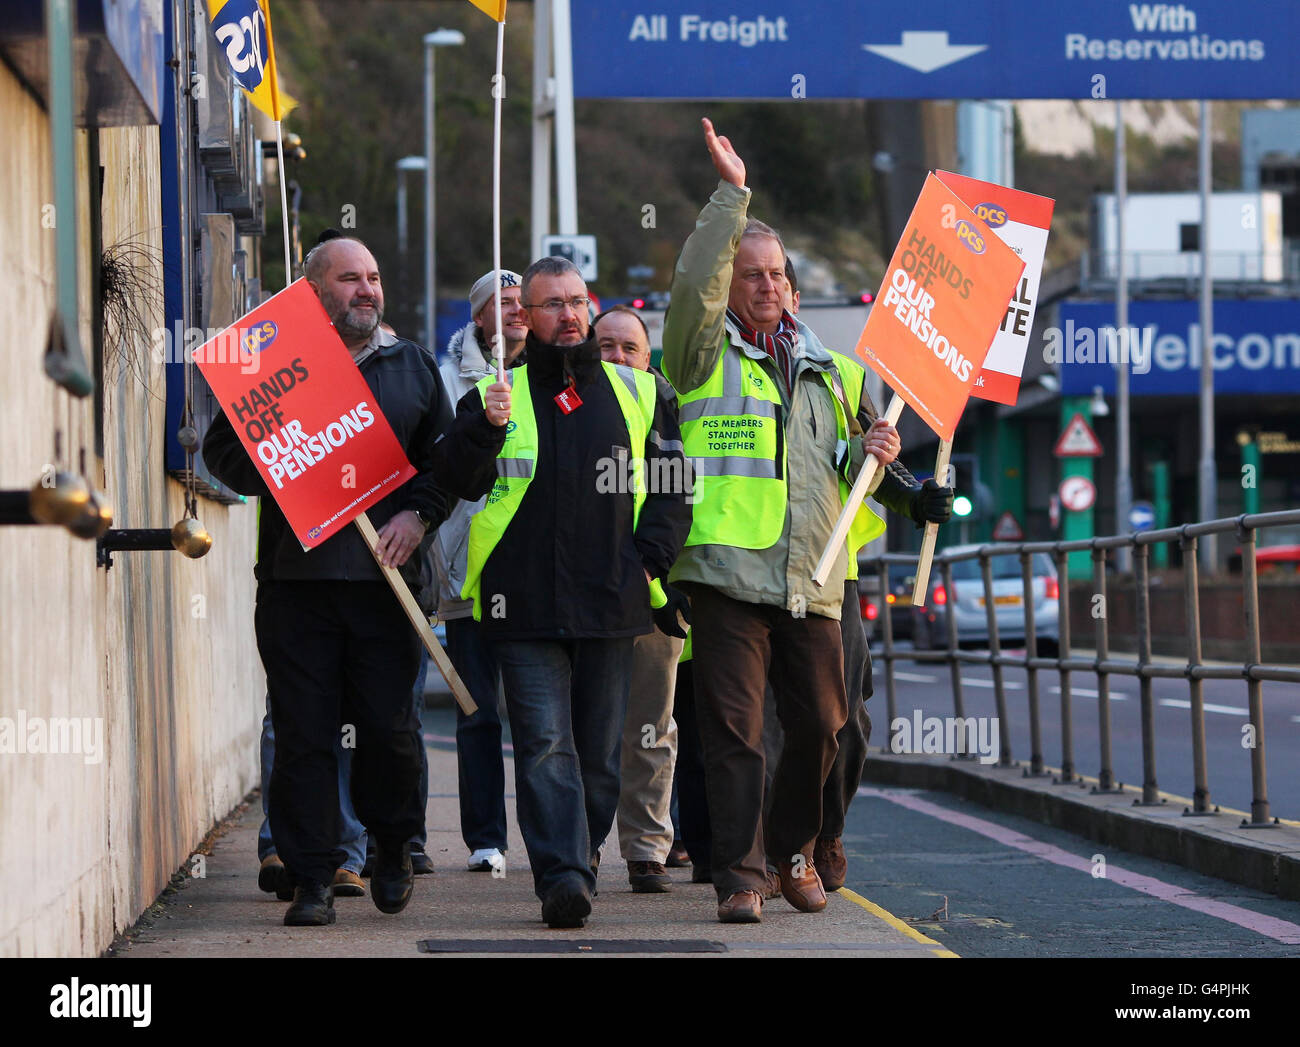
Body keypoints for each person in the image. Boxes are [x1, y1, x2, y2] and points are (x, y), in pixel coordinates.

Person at [661, 118, 952, 924]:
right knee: (736, 736)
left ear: (792, 286)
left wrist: (910, 490)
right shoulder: (697, 353)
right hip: (725, 573)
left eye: (775, 274)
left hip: (814, 579)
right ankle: (742, 876)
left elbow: (866, 469)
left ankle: (793, 845)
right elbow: (691, 288)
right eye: (747, 273)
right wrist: (731, 196)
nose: (763, 285)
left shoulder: (834, 370)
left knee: (826, 728)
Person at [431, 257, 692, 928]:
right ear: (526, 318)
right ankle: (563, 876)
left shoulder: (641, 391)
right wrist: (482, 429)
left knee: (601, 754)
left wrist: (647, 563)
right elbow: (457, 477)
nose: (570, 314)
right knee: (545, 744)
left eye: (579, 301)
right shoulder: (497, 392)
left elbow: (672, 488)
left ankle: (584, 849)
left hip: (612, 598)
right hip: (521, 602)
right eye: (553, 304)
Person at [203, 236, 455, 927]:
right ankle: (312, 875)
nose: (367, 289)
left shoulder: (414, 368)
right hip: (298, 588)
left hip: (386, 587)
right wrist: (290, 473)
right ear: (312, 292)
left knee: (388, 731)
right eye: (350, 279)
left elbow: (445, 468)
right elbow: (220, 449)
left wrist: (415, 516)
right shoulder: (270, 366)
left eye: (373, 276)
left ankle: (394, 844)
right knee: (304, 735)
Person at [432, 268, 529, 873]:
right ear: (480, 316)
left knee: (543, 717)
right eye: (505, 302)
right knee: (477, 711)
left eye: (525, 301)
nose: (518, 311)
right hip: (471, 571)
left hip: (538, 573)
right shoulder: (445, 383)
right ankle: (485, 840)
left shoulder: (554, 378)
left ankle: (561, 840)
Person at [593, 305, 692, 893]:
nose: (618, 358)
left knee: (652, 726)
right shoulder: (571, 404)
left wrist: (648, 567)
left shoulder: (662, 402)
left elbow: (674, 491)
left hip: (648, 591)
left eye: (629, 348)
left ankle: (646, 849)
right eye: (606, 347)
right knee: (588, 727)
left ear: (647, 357)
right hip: (581, 592)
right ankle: (581, 845)